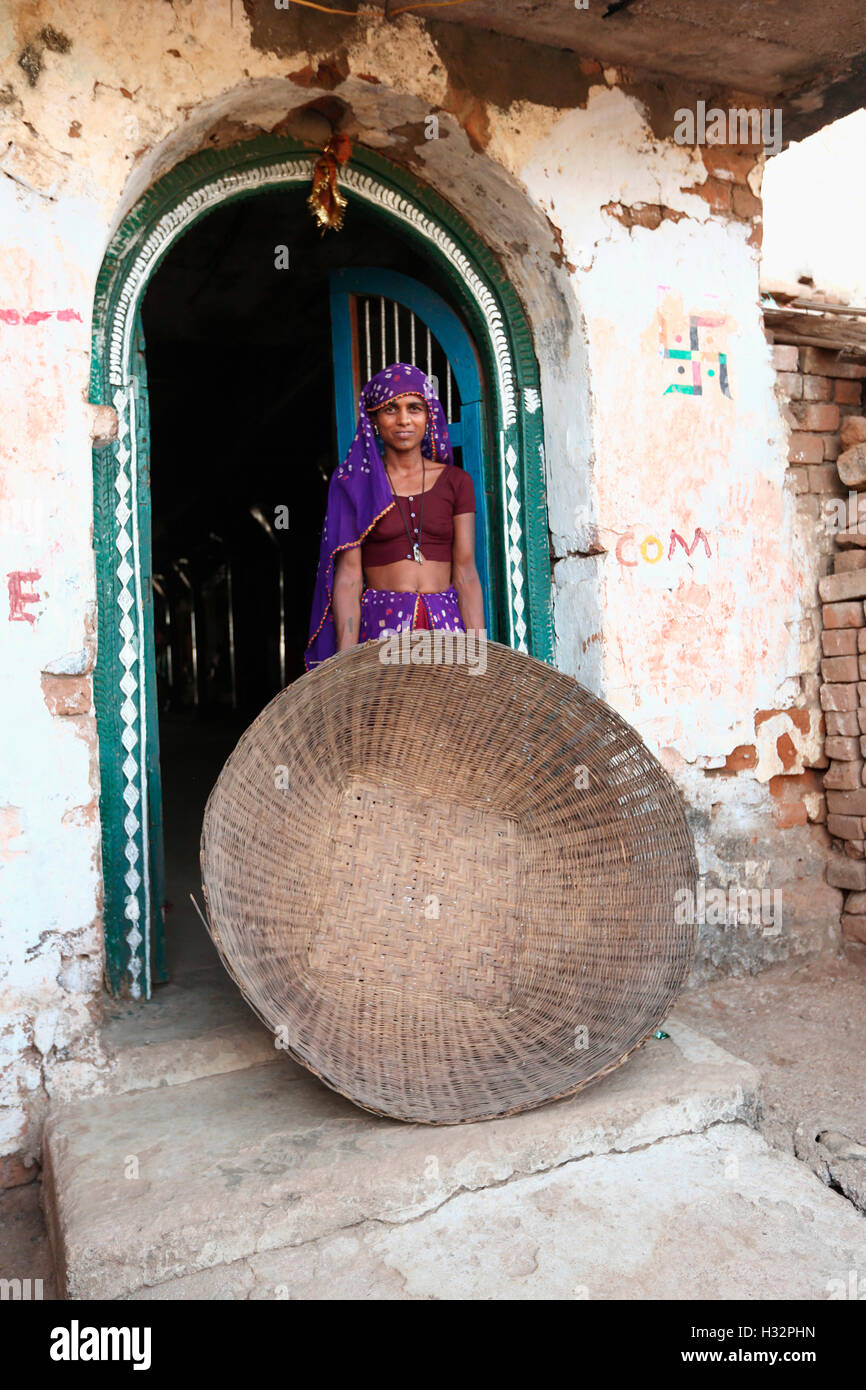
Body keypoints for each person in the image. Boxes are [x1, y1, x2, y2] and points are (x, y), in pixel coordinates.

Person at [305, 362, 485, 669]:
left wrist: (478, 654)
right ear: (373, 419)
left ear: (428, 415)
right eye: (391, 409)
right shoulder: (354, 484)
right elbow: (349, 577)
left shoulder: (457, 482)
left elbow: (466, 572)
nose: (403, 420)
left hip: (445, 627)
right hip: (380, 630)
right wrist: (346, 661)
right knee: (385, 716)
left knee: (445, 716)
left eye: (414, 408)